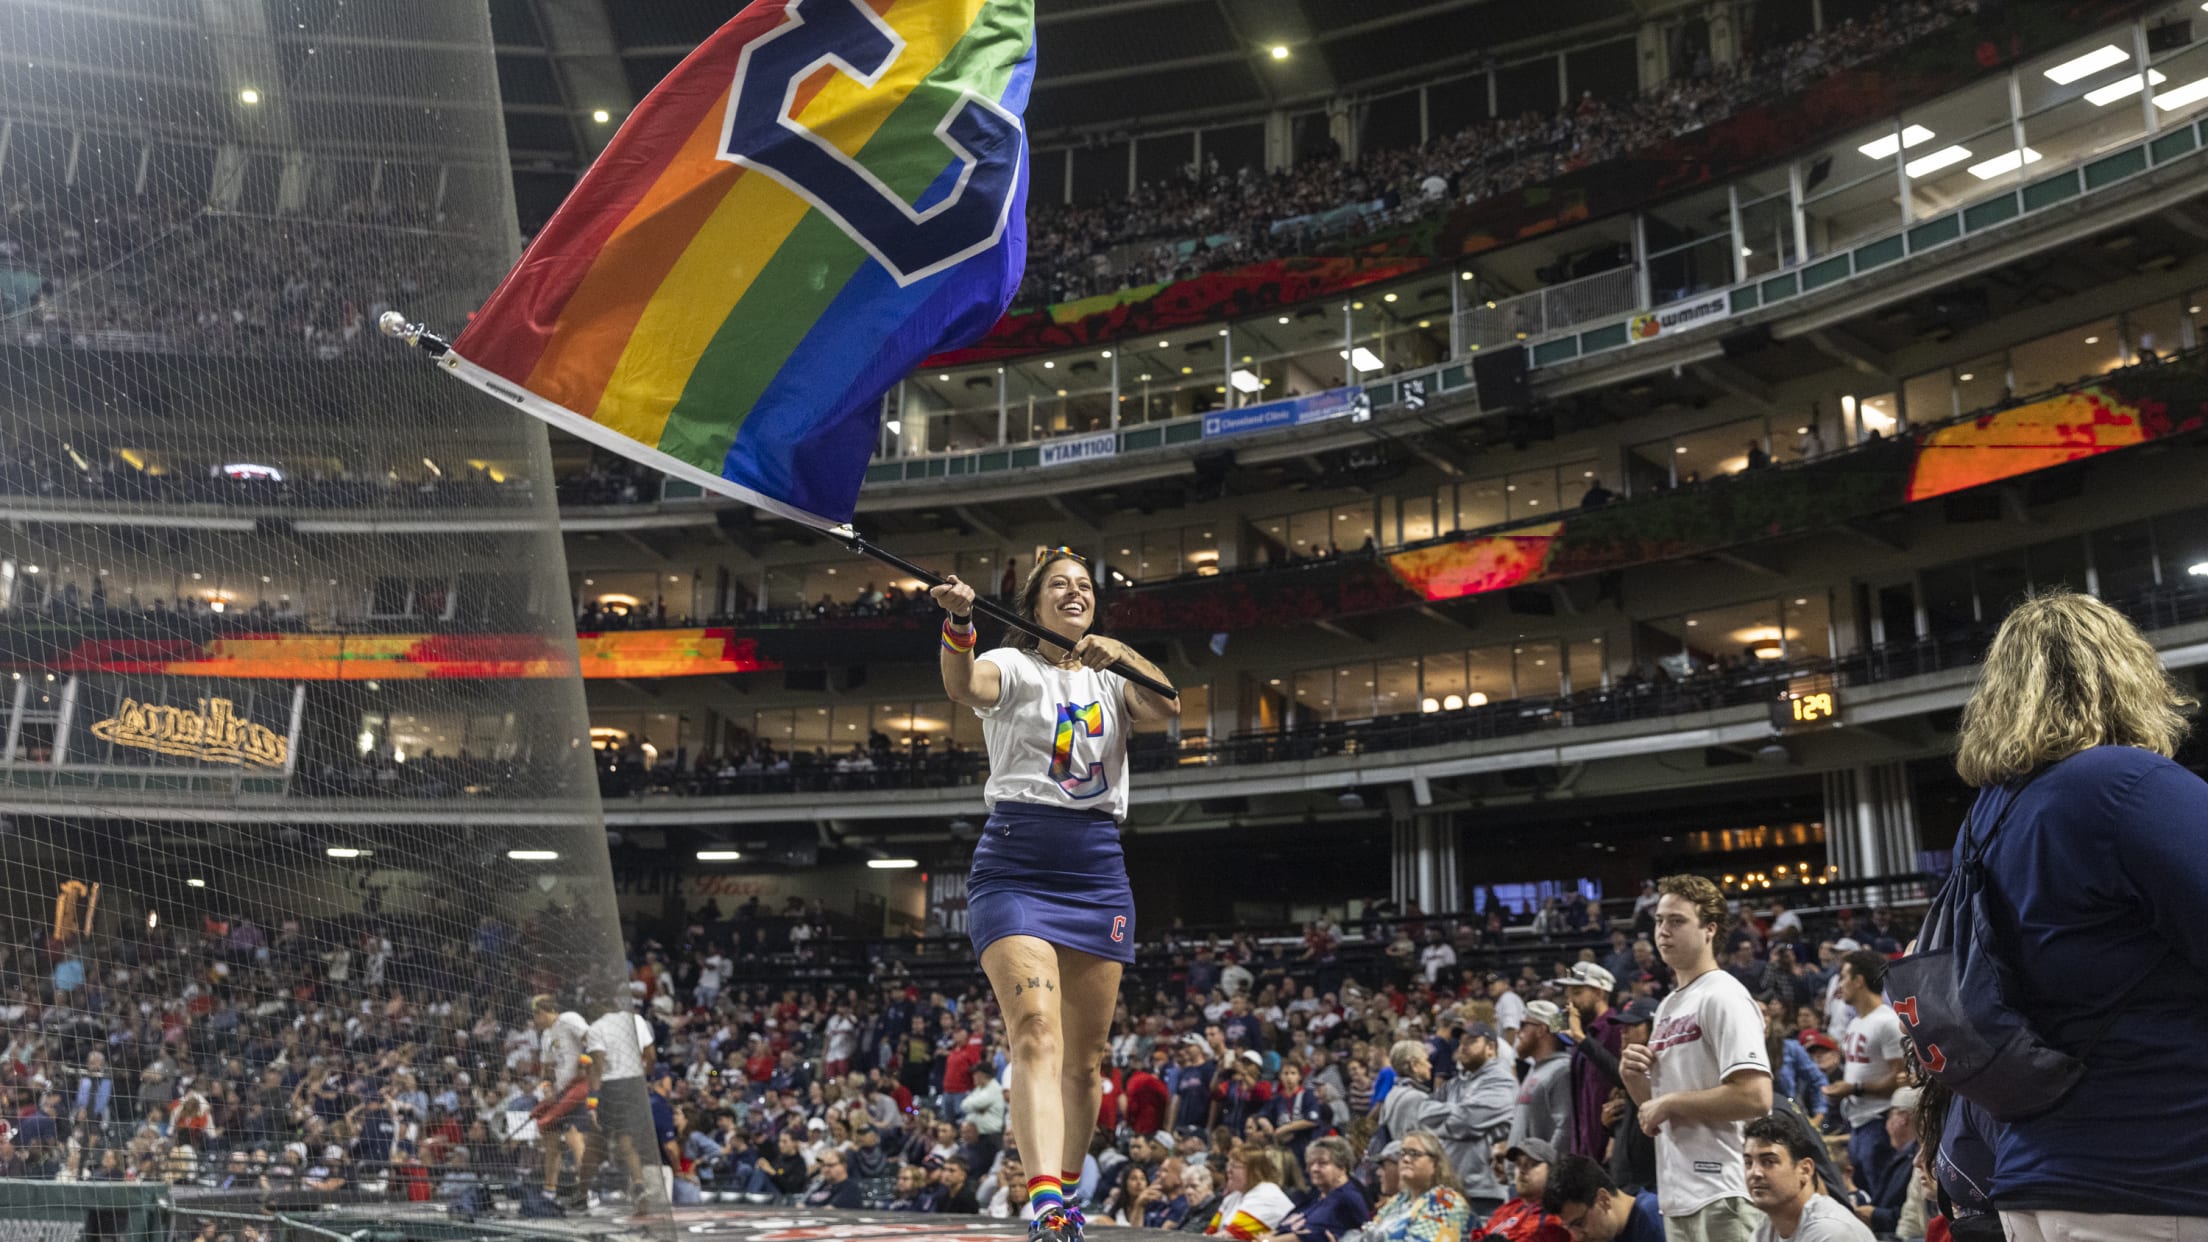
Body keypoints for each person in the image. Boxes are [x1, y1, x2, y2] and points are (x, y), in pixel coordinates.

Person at [932, 548, 1180, 1242]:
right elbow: (964, 686)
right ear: (1035, 605)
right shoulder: (1015, 668)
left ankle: (1068, 1193)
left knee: (1088, 1057)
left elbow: (1167, 706)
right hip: (1016, 862)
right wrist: (958, 626)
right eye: (1060, 587)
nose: (1075, 594)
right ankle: (1044, 1203)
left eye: (1085, 587)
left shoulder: (1112, 673)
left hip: (1098, 868)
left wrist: (1122, 650)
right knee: (1035, 1030)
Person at [1946, 592, 2208, 1238]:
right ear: (2126, 672)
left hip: (2037, 1175)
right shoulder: (2128, 784)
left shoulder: (1985, 817)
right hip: (2158, 1169)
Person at [1621, 875, 1771, 1242]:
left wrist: (1670, 1102)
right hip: (1678, 1195)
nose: (1663, 931)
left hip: (1725, 1190)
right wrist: (1633, 1079)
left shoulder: (1723, 996)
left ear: (1709, 929)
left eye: (1677, 921)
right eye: (1658, 920)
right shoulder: (1669, 1006)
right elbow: (1654, 1115)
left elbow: (1755, 1097)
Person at [1821, 950, 1903, 1195]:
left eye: (1844, 977)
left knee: (1879, 1195)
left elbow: (1902, 1078)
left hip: (1878, 1122)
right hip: (1857, 1122)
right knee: (1863, 1195)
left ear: (1859, 981)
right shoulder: (1856, 1022)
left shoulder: (1887, 1022)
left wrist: (1854, 1088)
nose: (1840, 984)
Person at [1417, 1020, 1514, 1216]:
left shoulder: (1501, 1081)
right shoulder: (1455, 1084)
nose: (1463, 1046)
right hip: (1451, 1185)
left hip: (1483, 1191)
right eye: (1461, 1042)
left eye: (1471, 1041)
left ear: (1491, 1047)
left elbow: (1465, 1121)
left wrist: (1446, 1121)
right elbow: (1423, 1113)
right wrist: (1457, 1114)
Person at [1741, 1116, 1873, 1242]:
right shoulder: (1766, 1228)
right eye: (1748, 1163)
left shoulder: (1830, 1230)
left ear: (1805, 1170)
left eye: (1769, 1162)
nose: (1755, 1172)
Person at [528, 995, 594, 1214]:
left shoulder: (569, 1019)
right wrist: (547, 1087)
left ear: (542, 1012)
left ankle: (587, 1191)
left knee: (574, 1137)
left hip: (580, 1088)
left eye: (535, 1015)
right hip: (560, 1094)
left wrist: (584, 1065)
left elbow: (592, 1040)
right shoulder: (546, 1036)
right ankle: (549, 1191)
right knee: (550, 1139)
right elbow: (547, 1068)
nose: (534, 1021)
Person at [1554, 964, 1620, 1161]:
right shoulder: (1582, 1034)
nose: (1570, 1002)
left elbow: (1621, 1080)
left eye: (1577, 993)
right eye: (1568, 995)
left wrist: (1614, 1137)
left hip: (1606, 1151)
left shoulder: (1615, 1029)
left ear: (1599, 993)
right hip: (1583, 1150)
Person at [1365, 1130, 1471, 1242]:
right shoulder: (1398, 1200)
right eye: (1402, 1154)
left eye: (1414, 1154)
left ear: (1435, 1163)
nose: (1405, 1159)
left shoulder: (1446, 1200)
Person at [1265, 1137, 1369, 1242]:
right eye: (1311, 1163)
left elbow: (1317, 1236)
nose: (1314, 1169)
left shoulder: (1347, 1198)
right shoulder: (1315, 1196)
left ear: (1342, 1167)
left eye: (1322, 1163)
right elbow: (1285, 1227)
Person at [1541, 1154, 1663, 1242]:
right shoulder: (1609, 1233)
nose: (1577, 1237)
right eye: (1568, 1228)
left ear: (1603, 1199)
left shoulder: (1652, 1218)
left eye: (1579, 1223)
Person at [1511, 1001, 1573, 1150]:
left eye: (1523, 1025)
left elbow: (1565, 1127)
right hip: (1523, 1170)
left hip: (1540, 1171)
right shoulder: (1536, 1068)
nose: (1517, 1033)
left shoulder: (1562, 1070)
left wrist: (1548, 1168)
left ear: (1541, 1030)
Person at [1486, 1139, 1571, 1242]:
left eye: (1532, 1164)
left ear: (1552, 1171)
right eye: (1518, 1164)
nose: (1522, 1170)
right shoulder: (1506, 1209)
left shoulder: (1557, 1218)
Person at [1203, 1146, 1294, 1239]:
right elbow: (1208, 1233)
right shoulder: (1232, 1197)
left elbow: (1230, 1237)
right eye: (1229, 1165)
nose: (1228, 1171)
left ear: (1254, 1171)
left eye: (1234, 1166)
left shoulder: (1267, 1196)